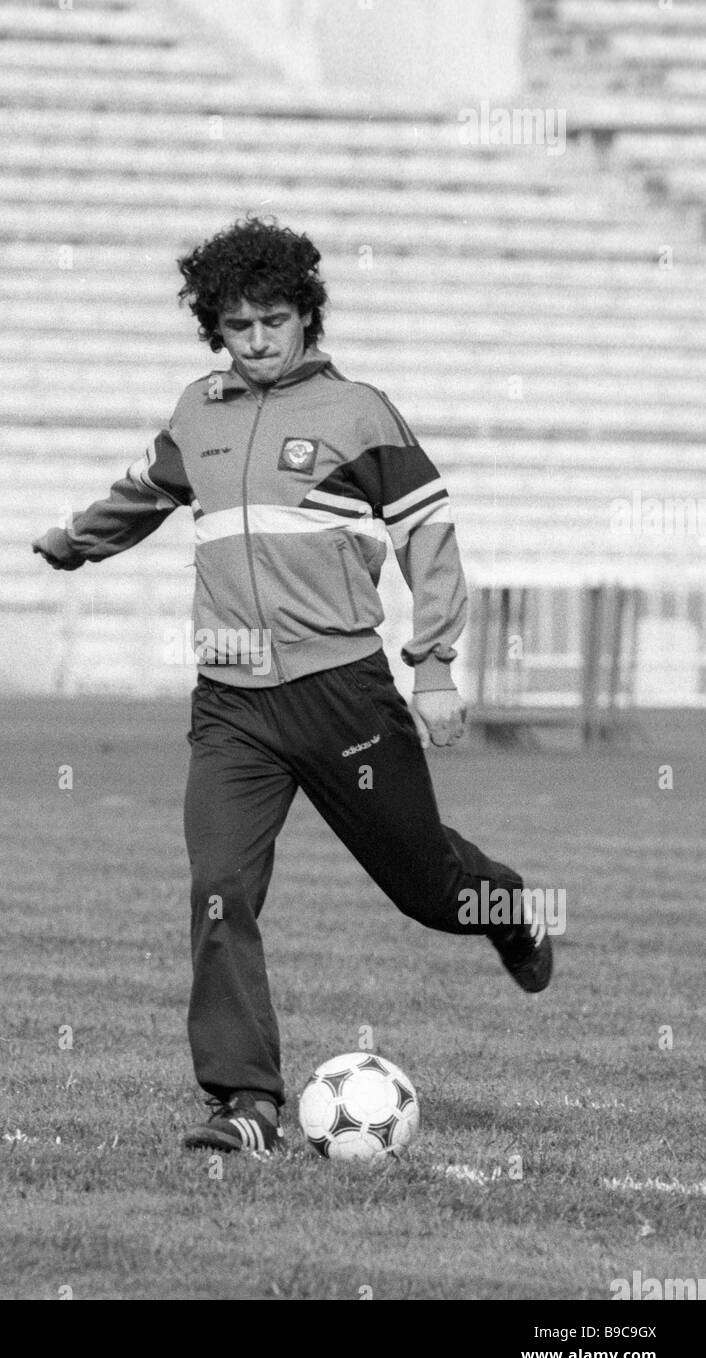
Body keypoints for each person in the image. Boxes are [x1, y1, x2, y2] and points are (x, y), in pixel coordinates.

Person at [33, 216, 552, 1156]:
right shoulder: (199, 411)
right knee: (221, 886)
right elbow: (147, 491)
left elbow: (428, 540)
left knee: (429, 889)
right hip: (231, 702)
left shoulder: (360, 413)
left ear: (307, 316)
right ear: (215, 331)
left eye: (276, 319)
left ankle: (509, 908)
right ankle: (244, 1102)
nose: (260, 340)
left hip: (341, 694)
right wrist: (76, 540)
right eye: (239, 327)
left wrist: (432, 668)